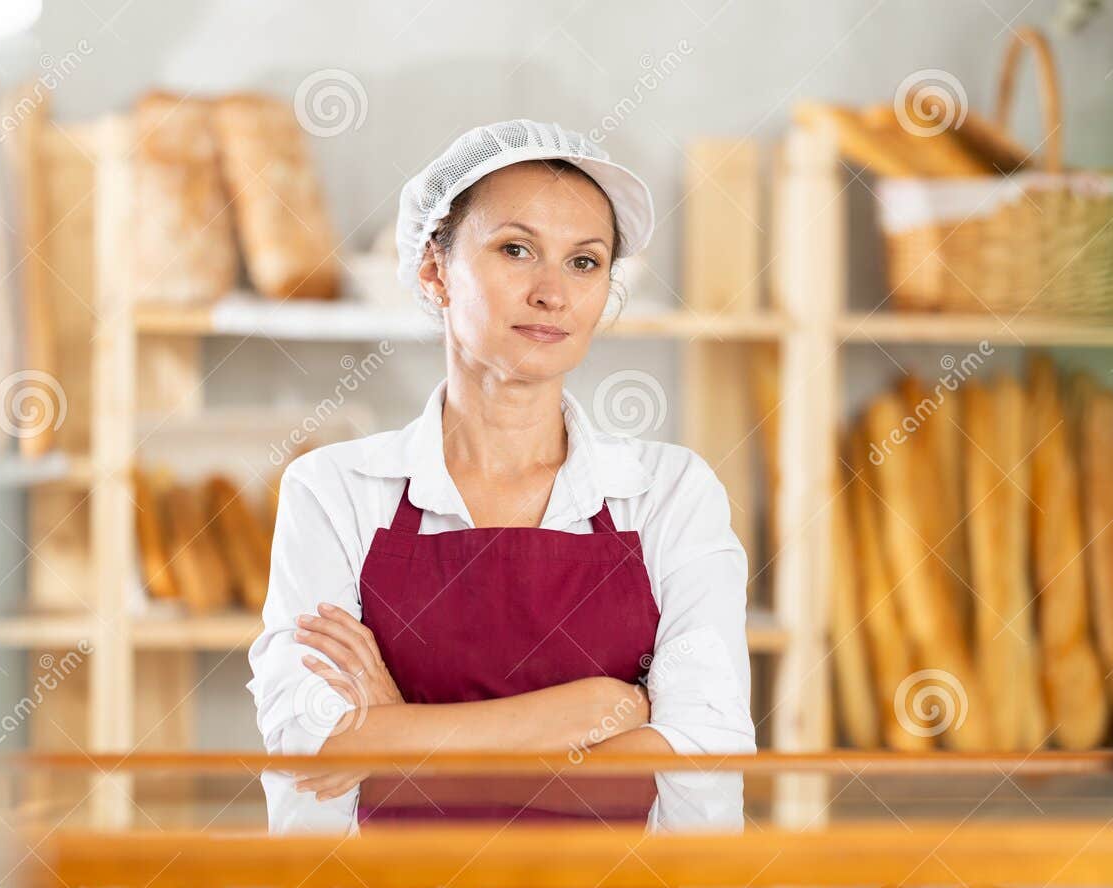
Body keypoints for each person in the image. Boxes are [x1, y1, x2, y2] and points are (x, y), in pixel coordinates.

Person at [246, 119, 750, 836]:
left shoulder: (669, 492)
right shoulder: (334, 489)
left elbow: (707, 752)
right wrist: (602, 710)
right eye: (517, 250)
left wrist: (395, 730)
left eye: (585, 262)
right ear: (433, 270)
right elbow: (313, 748)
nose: (553, 292)